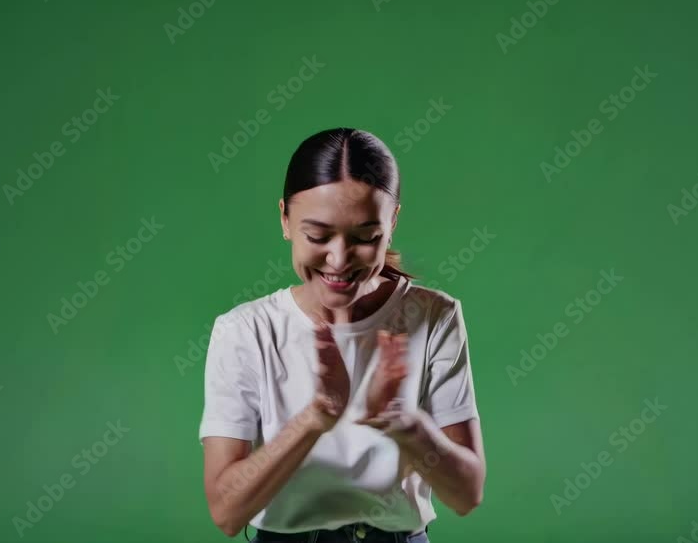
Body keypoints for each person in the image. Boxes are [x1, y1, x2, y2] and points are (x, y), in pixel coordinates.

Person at [199, 128, 485, 543]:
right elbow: (226, 512)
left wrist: (402, 422)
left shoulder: (433, 316)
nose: (338, 259)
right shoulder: (244, 330)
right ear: (285, 219)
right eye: (317, 236)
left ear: (392, 224)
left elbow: (467, 493)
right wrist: (315, 418)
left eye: (365, 238)